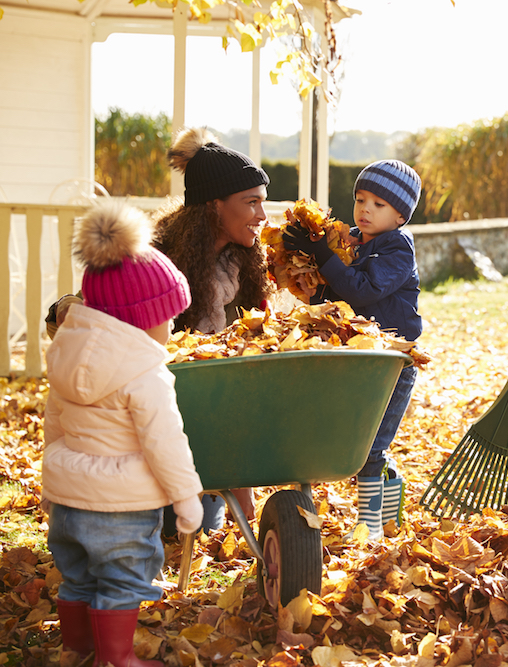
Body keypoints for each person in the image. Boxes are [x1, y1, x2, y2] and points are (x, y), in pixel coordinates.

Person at [42, 201, 204, 667]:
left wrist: (52, 483)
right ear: (142, 317)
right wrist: (187, 498)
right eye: (168, 317)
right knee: (120, 581)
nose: (172, 326)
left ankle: (76, 650)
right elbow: (166, 442)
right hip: (121, 508)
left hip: (69, 498)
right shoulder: (145, 372)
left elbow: (56, 423)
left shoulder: (66, 354)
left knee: (77, 577)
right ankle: (116, 658)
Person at [283, 159, 422, 541]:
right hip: (357, 359)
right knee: (356, 438)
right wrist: (314, 268)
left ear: (400, 216)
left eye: (378, 204)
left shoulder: (397, 249)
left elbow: (363, 289)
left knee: (372, 444)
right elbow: (339, 295)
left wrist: (326, 257)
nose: (365, 209)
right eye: (361, 199)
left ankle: (370, 524)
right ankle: (388, 485)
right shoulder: (352, 246)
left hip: (392, 363)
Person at [153, 127, 272, 532]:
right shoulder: (157, 259)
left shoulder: (246, 265)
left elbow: (261, 335)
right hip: (160, 416)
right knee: (176, 524)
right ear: (215, 205)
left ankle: (223, 482)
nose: (262, 214)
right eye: (251, 202)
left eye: (263, 202)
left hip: (221, 415)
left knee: (203, 523)